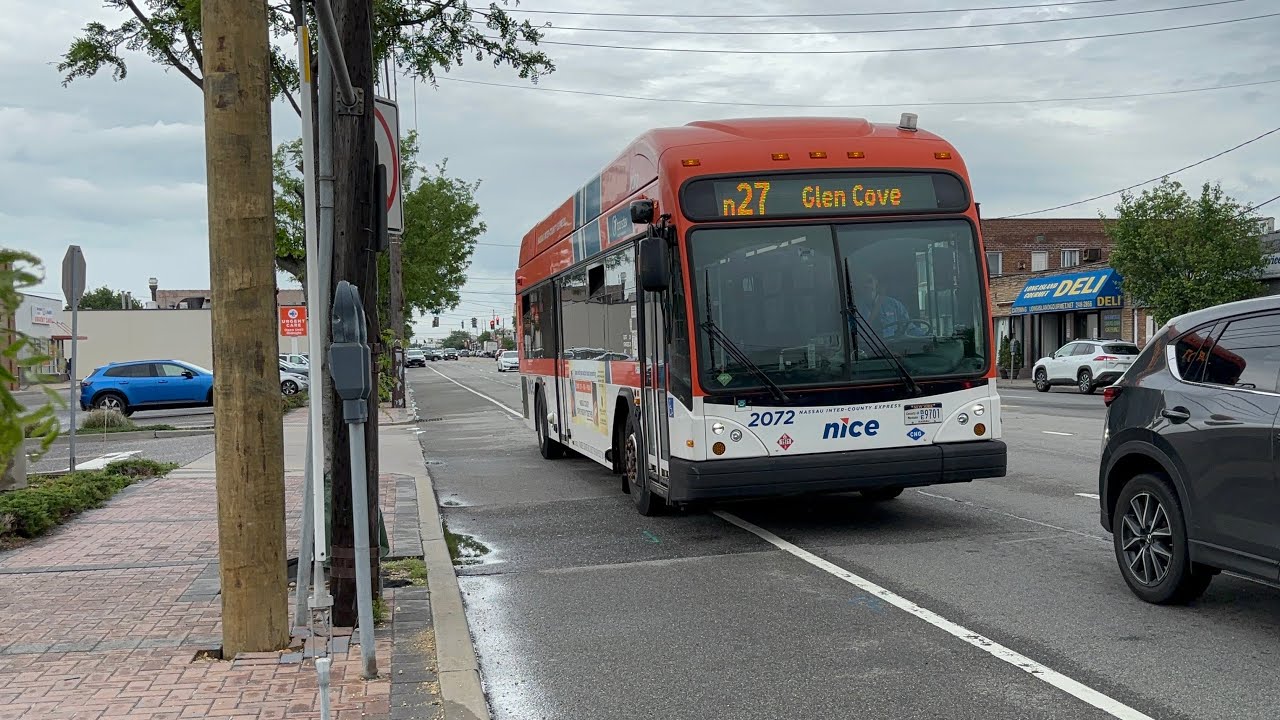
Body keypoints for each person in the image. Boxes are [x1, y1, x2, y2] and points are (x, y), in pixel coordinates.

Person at [852, 271, 922, 339]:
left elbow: (909, 327)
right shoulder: (853, 309)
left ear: (876, 282)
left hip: (892, 348)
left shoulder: (894, 305)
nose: (867, 285)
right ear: (857, 285)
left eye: (869, 281)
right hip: (867, 349)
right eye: (862, 282)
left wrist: (924, 336)